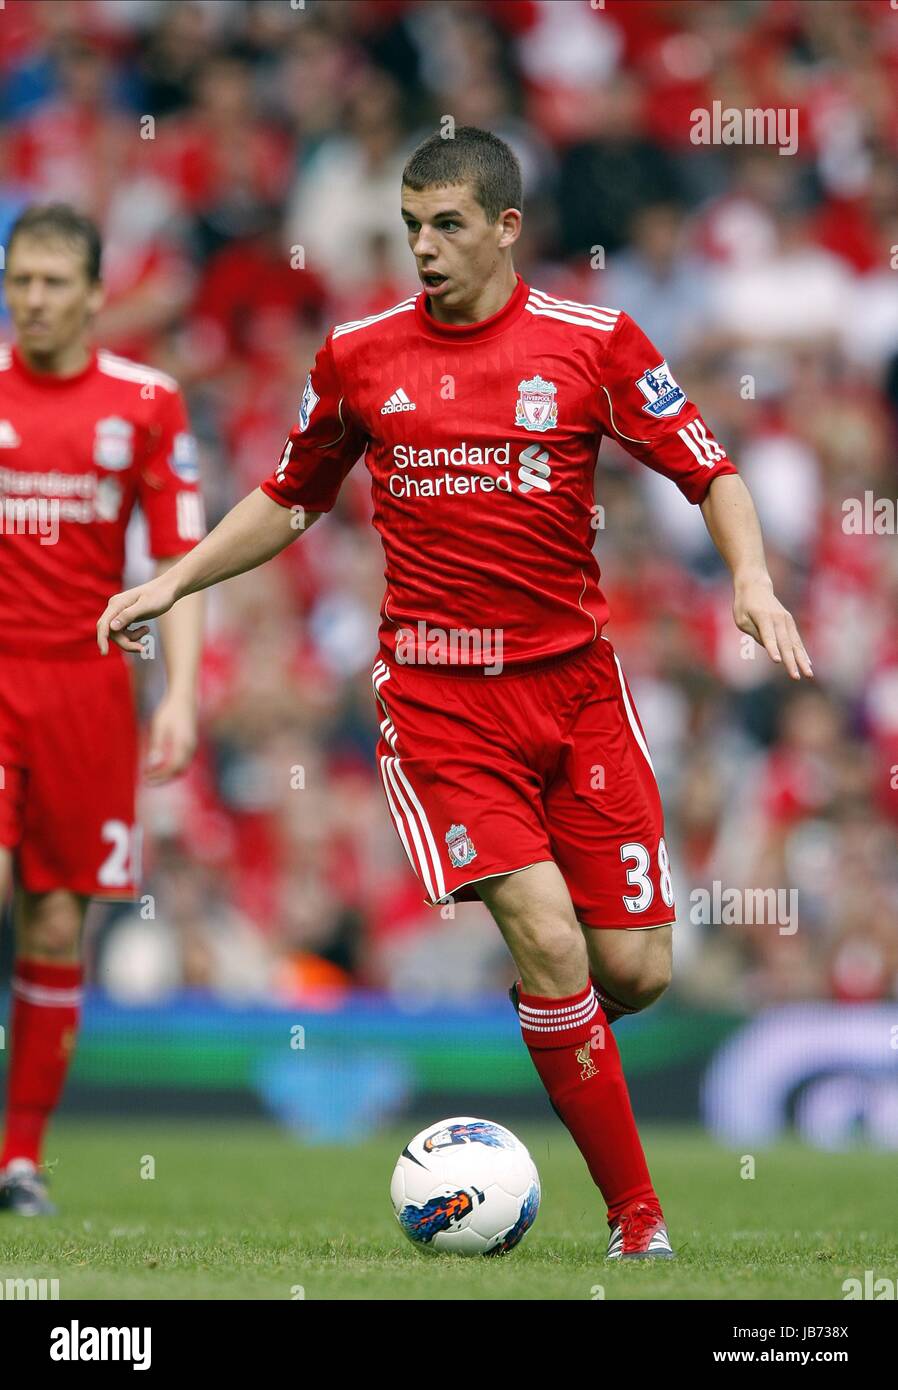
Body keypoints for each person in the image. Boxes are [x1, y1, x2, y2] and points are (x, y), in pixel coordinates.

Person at [97, 129, 812, 1259]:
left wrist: (752, 578)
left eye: (446, 226)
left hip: (578, 696)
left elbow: (709, 468)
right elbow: (291, 499)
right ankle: (640, 1224)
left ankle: (551, 1025)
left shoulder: (594, 343)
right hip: (439, 699)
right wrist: (176, 576)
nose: (422, 248)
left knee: (634, 969)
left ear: (507, 227)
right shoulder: (360, 355)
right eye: (410, 226)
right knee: (548, 938)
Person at [0, 204, 205, 1215]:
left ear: (92, 293)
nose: (30, 299)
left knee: (51, 919)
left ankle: (19, 1159)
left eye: (49, 282)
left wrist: (180, 692)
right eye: (17, 280)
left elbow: (181, 560)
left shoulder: (148, 403)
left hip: (87, 687)